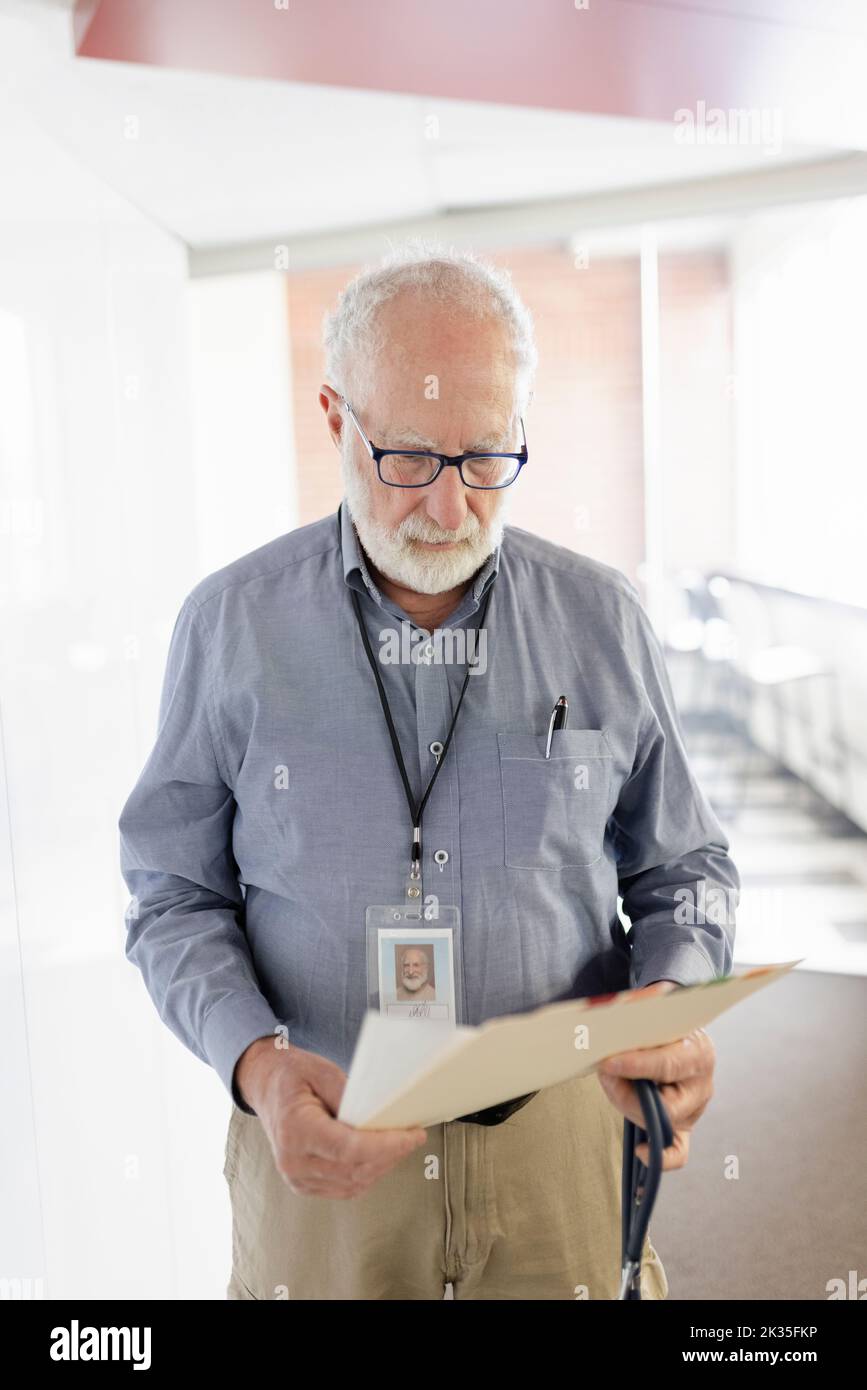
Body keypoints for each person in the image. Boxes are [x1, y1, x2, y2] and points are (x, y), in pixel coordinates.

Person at [119, 240, 738, 1300]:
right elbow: (173, 894)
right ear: (333, 420)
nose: (449, 509)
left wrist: (668, 1003)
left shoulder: (602, 620)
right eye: (407, 457)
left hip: (564, 1137)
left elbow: (684, 868)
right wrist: (256, 1069)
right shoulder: (230, 626)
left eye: (486, 457)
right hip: (322, 1152)